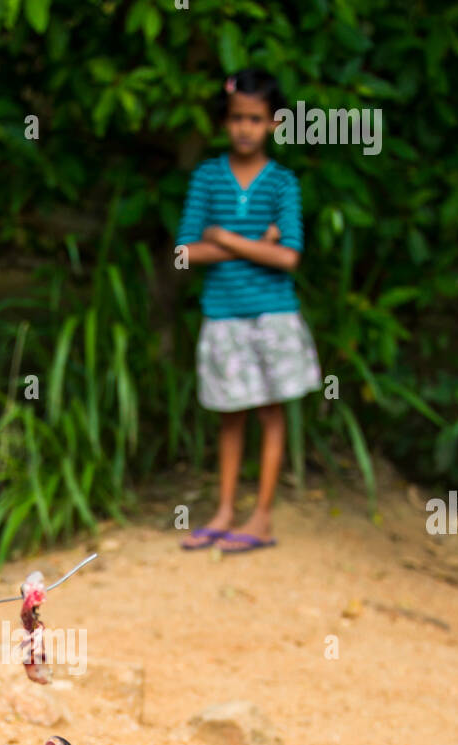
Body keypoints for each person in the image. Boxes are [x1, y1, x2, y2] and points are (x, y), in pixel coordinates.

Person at [176, 68, 321, 553]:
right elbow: (184, 253)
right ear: (225, 122)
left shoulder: (283, 183)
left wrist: (221, 237)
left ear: (275, 124)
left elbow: (290, 257)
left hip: (273, 314)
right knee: (228, 414)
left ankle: (261, 517)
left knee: (270, 412)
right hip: (223, 315)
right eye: (237, 118)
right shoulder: (207, 177)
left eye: (255, 119)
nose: (245, 128)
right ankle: (223, 511)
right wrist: (256, 244)